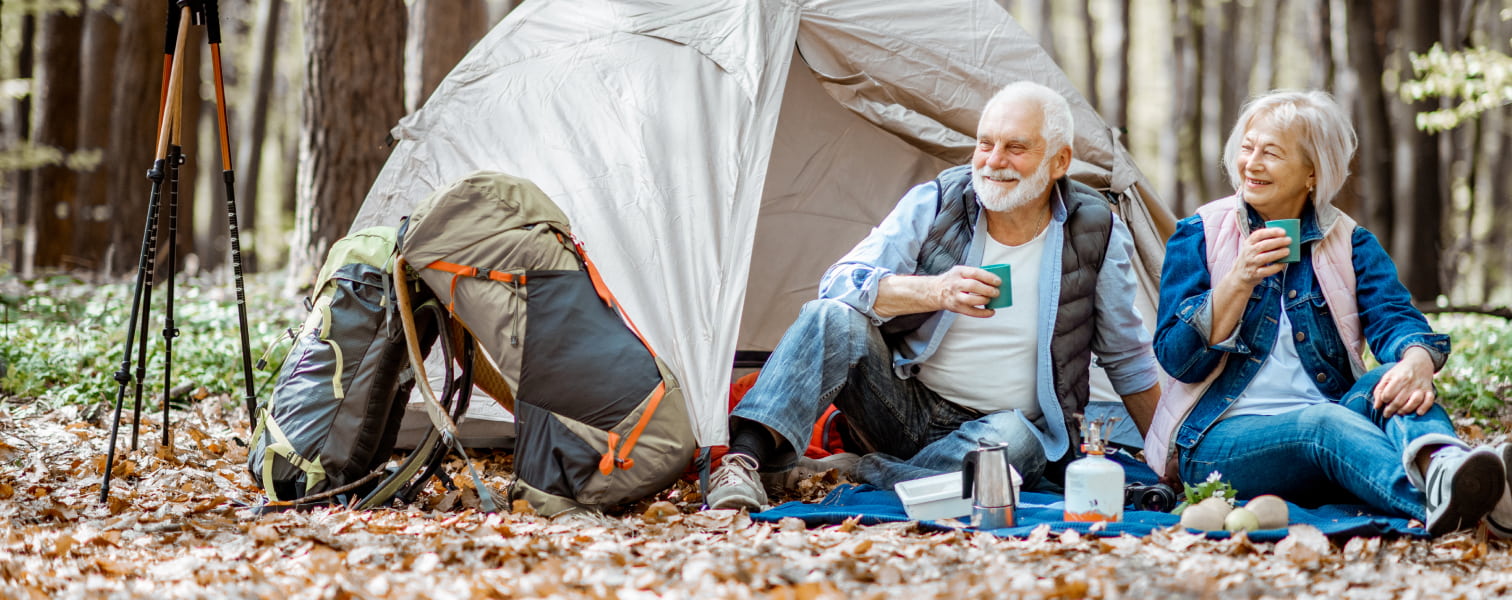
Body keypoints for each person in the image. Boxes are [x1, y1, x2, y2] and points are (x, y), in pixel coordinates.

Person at [706, 81, 1162, 511]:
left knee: (1017, 442)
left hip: (1000, 429)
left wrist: (1166, 461)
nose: (993, 160)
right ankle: (743, 462)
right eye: (985, 143)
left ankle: (850, 473)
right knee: (830, 316)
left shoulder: (1095, 230)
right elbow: (839, 283)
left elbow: (1126, 355)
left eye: (1016, 147)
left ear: (1059, 162)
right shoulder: (940, 200)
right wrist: (934, 290)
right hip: (901, 406)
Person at [1144, 89, 1511, 536]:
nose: (1251, 163)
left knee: (1394, 381)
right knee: (1322, 423)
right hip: (1217, 443)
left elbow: (1394, 317)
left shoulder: (1351, 242)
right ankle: (1474, 505)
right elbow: (1177, 358)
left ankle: (1446, 470)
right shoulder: (1200, 233)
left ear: (1312, 172)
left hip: (1333, 426)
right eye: (1247, 148)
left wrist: (1417, 361)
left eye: (1270, 153)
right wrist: (1238, 280)